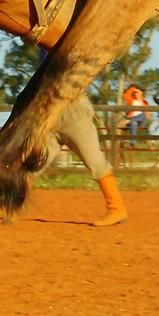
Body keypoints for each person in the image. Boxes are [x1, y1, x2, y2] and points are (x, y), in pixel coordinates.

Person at [41, 96, 128, 227]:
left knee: (95, 161)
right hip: (52, 109)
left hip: (73, 108)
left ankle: (116, 208)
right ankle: (12, 205)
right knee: (36, 160)